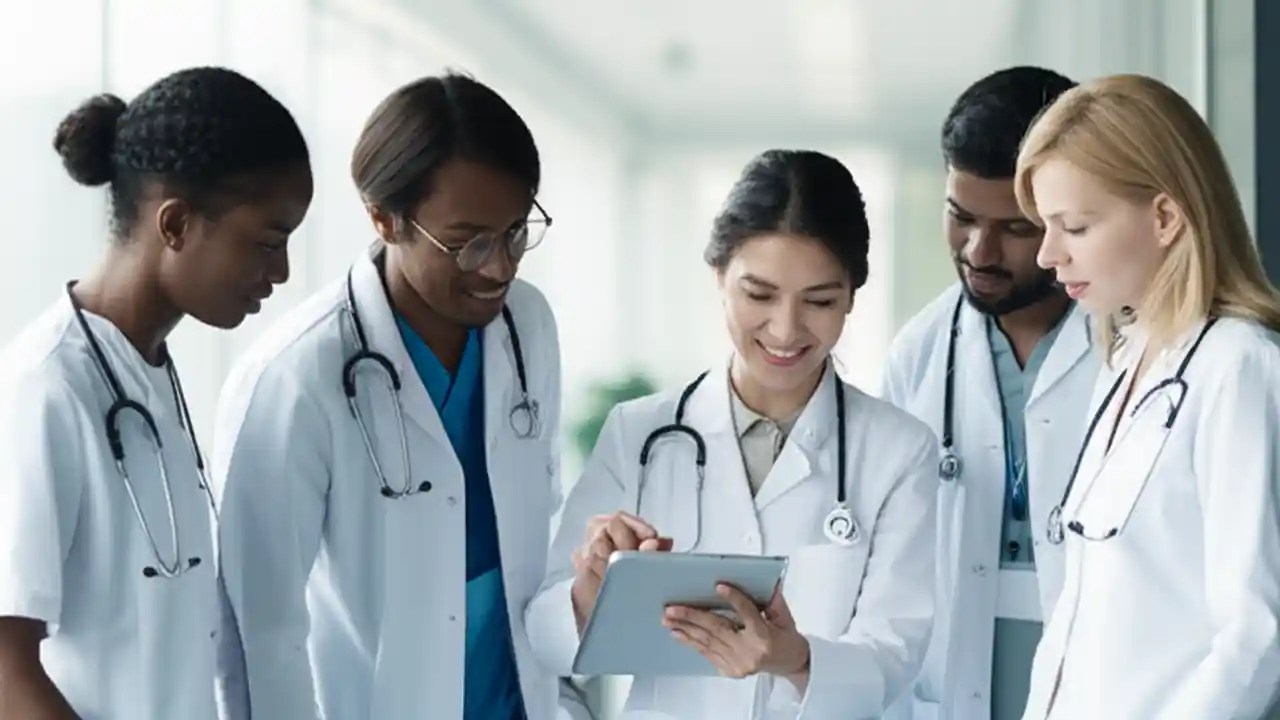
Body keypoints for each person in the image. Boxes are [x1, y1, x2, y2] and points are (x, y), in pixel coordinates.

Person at [526, 149, 939, 719]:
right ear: (719, 276)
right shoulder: (639, 434)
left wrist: (795, 658)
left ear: (852, 295)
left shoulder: (899, 452)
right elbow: (545, 644)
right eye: (759, 295)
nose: (786, 329)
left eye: (820, 301)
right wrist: (588, 594)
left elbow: (895, 656)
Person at [212, 72, 569, 720]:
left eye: (517, 231)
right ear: (384, 217)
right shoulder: (297, 376)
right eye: (468, 243)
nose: (500, 267)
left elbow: (538, 538)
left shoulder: (528, 325)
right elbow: (257, 636)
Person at [0, 67, 311, 719]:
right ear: (175, 224)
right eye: (267, 241)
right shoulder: (46, 386)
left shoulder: (148, 372)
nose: (280, 272)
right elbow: (5, 668)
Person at [1013, 73, 1280, 719]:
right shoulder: (1125, 362)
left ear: (1164, 217)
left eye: (1073, 226)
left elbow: (1256, 637)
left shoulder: (1239, 370)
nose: (1048, 254)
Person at [879, 66, 1100, 720]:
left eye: (1016, 228)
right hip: (951, 687)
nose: (979, 250)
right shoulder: (919, 354)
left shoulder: (1143, 349)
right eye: (960, 217)